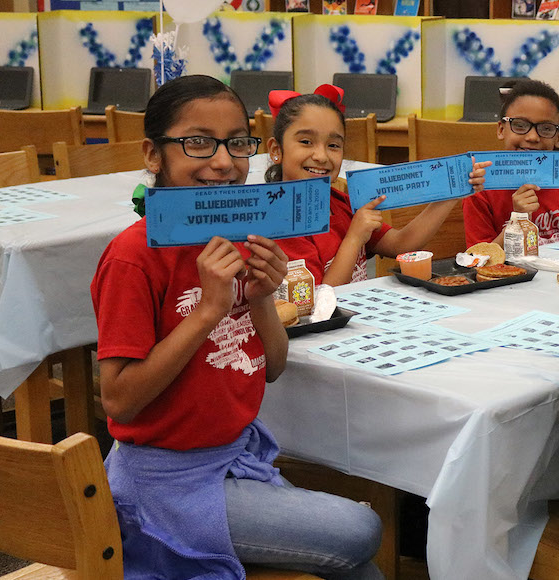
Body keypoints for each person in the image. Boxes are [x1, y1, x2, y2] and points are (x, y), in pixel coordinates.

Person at [91, 74, 383, 579]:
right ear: (153, 155)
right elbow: (118, 400)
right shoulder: (134, 256)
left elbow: (272, 367)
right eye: (197, 143)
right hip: (162, 481)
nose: (224, 161)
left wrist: (263, 297)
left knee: (358, 566)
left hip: (233, 455)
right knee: (360, 531)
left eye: (236, 143)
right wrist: (208, 311)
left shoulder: (244, 238)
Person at [265, 85, 490, 285]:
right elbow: (321, 302)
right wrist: (354, 238)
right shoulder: (280, 223)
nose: (322, 156)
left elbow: (401, 245)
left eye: (333, 145)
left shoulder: (341, 203)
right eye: (306, 142)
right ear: (276, 150)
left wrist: (450, 194)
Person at [463, 79, 559, 247]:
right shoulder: (480, 187)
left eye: (546, 128)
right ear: (501, 129)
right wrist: (518, 222)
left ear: (558, 138)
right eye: (519, 125)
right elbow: (480, 261)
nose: (533, 137)